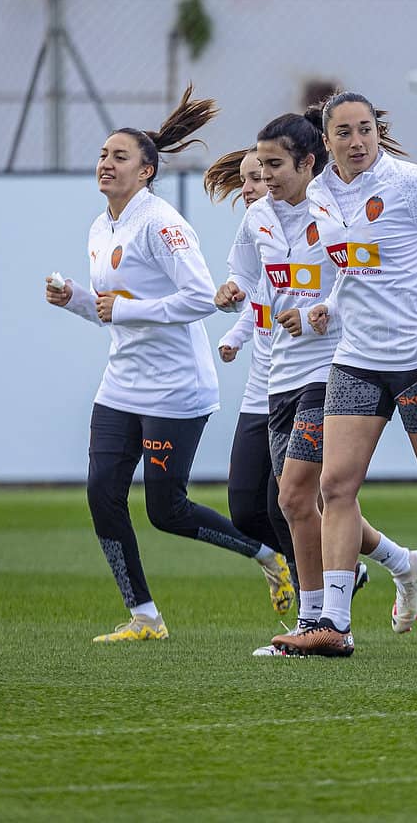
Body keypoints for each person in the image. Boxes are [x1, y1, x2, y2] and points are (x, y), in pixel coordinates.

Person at [44, 87, 288, 642]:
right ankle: (144, 617)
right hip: (121, 384)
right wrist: (78, 299)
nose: (106, 163)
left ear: (147, 171)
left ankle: (268, 556)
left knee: (165, 509)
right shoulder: (100, 226)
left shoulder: (163, 223)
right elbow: (115, 315)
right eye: (103, 155)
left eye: (120, 156)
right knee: (101, 494)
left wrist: (126, 307)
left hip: (176, 388)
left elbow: (201, 297)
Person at [282, 93, 417, 657]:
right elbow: (345, 264)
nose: (357, 142)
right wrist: (320, 306)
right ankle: (333, 624)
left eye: (365, 130)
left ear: (378, 133)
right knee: (335, 486)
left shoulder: (406, 182)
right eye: (344, 133)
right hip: (356, 357)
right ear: (325, 142)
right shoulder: (321, 193)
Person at [213, 107, 417, 656]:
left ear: (307, 163)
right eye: (258, 168)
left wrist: (322, 311)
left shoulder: (334, 210)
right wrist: (233, 293)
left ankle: (322, 620)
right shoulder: (258, 218)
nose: (261, 179)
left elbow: (360, 281)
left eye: (272, 167)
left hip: (331, 368)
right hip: (277, 376)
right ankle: (385, 573)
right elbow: (246, 274)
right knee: (286, 505)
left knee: (298, 494)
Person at [203, 147, 296, 615]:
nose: (248, 188)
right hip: (261, 386)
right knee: (244, 507)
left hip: (306, 381)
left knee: (288, 506)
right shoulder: (257, 223)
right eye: (245, 179)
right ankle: (388, 559)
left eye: (257, 177)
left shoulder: (314, 217)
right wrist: (232, 313)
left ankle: (318, 601)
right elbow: (253, 294)